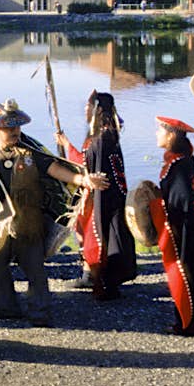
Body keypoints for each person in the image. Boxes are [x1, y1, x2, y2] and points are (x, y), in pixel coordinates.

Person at [0, 100, 99, 326]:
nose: (15, 132)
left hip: (29, 221)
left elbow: (54, 167)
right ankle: (7, 307)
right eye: (8, 128)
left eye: (17, 127)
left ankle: (40, 311)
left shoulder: (29, 149)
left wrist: (81, 179)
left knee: (35, 267)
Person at [57, 91, 137, 301]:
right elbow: (88, 164)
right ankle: (92, 277)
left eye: (88, 106)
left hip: (102, 199)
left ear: (98, 110)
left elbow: (89, 168)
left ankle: (101, 281)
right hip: (100, 195)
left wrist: (67, 147)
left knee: (98, 239)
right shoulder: (103, 135)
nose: (85, 110)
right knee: (87, 234)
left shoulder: (102, 138)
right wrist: (67, 146)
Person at [150, 117, 194, 336]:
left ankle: (188, 323)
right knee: (186, 270)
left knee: (183, 271)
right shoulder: (183, 159)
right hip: (187, 225)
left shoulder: (179, 164)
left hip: (183, 229)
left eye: (160, 131)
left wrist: (163, 210)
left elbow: (182, 199)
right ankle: (185, 319)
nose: (156, 134)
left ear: (171, 135)